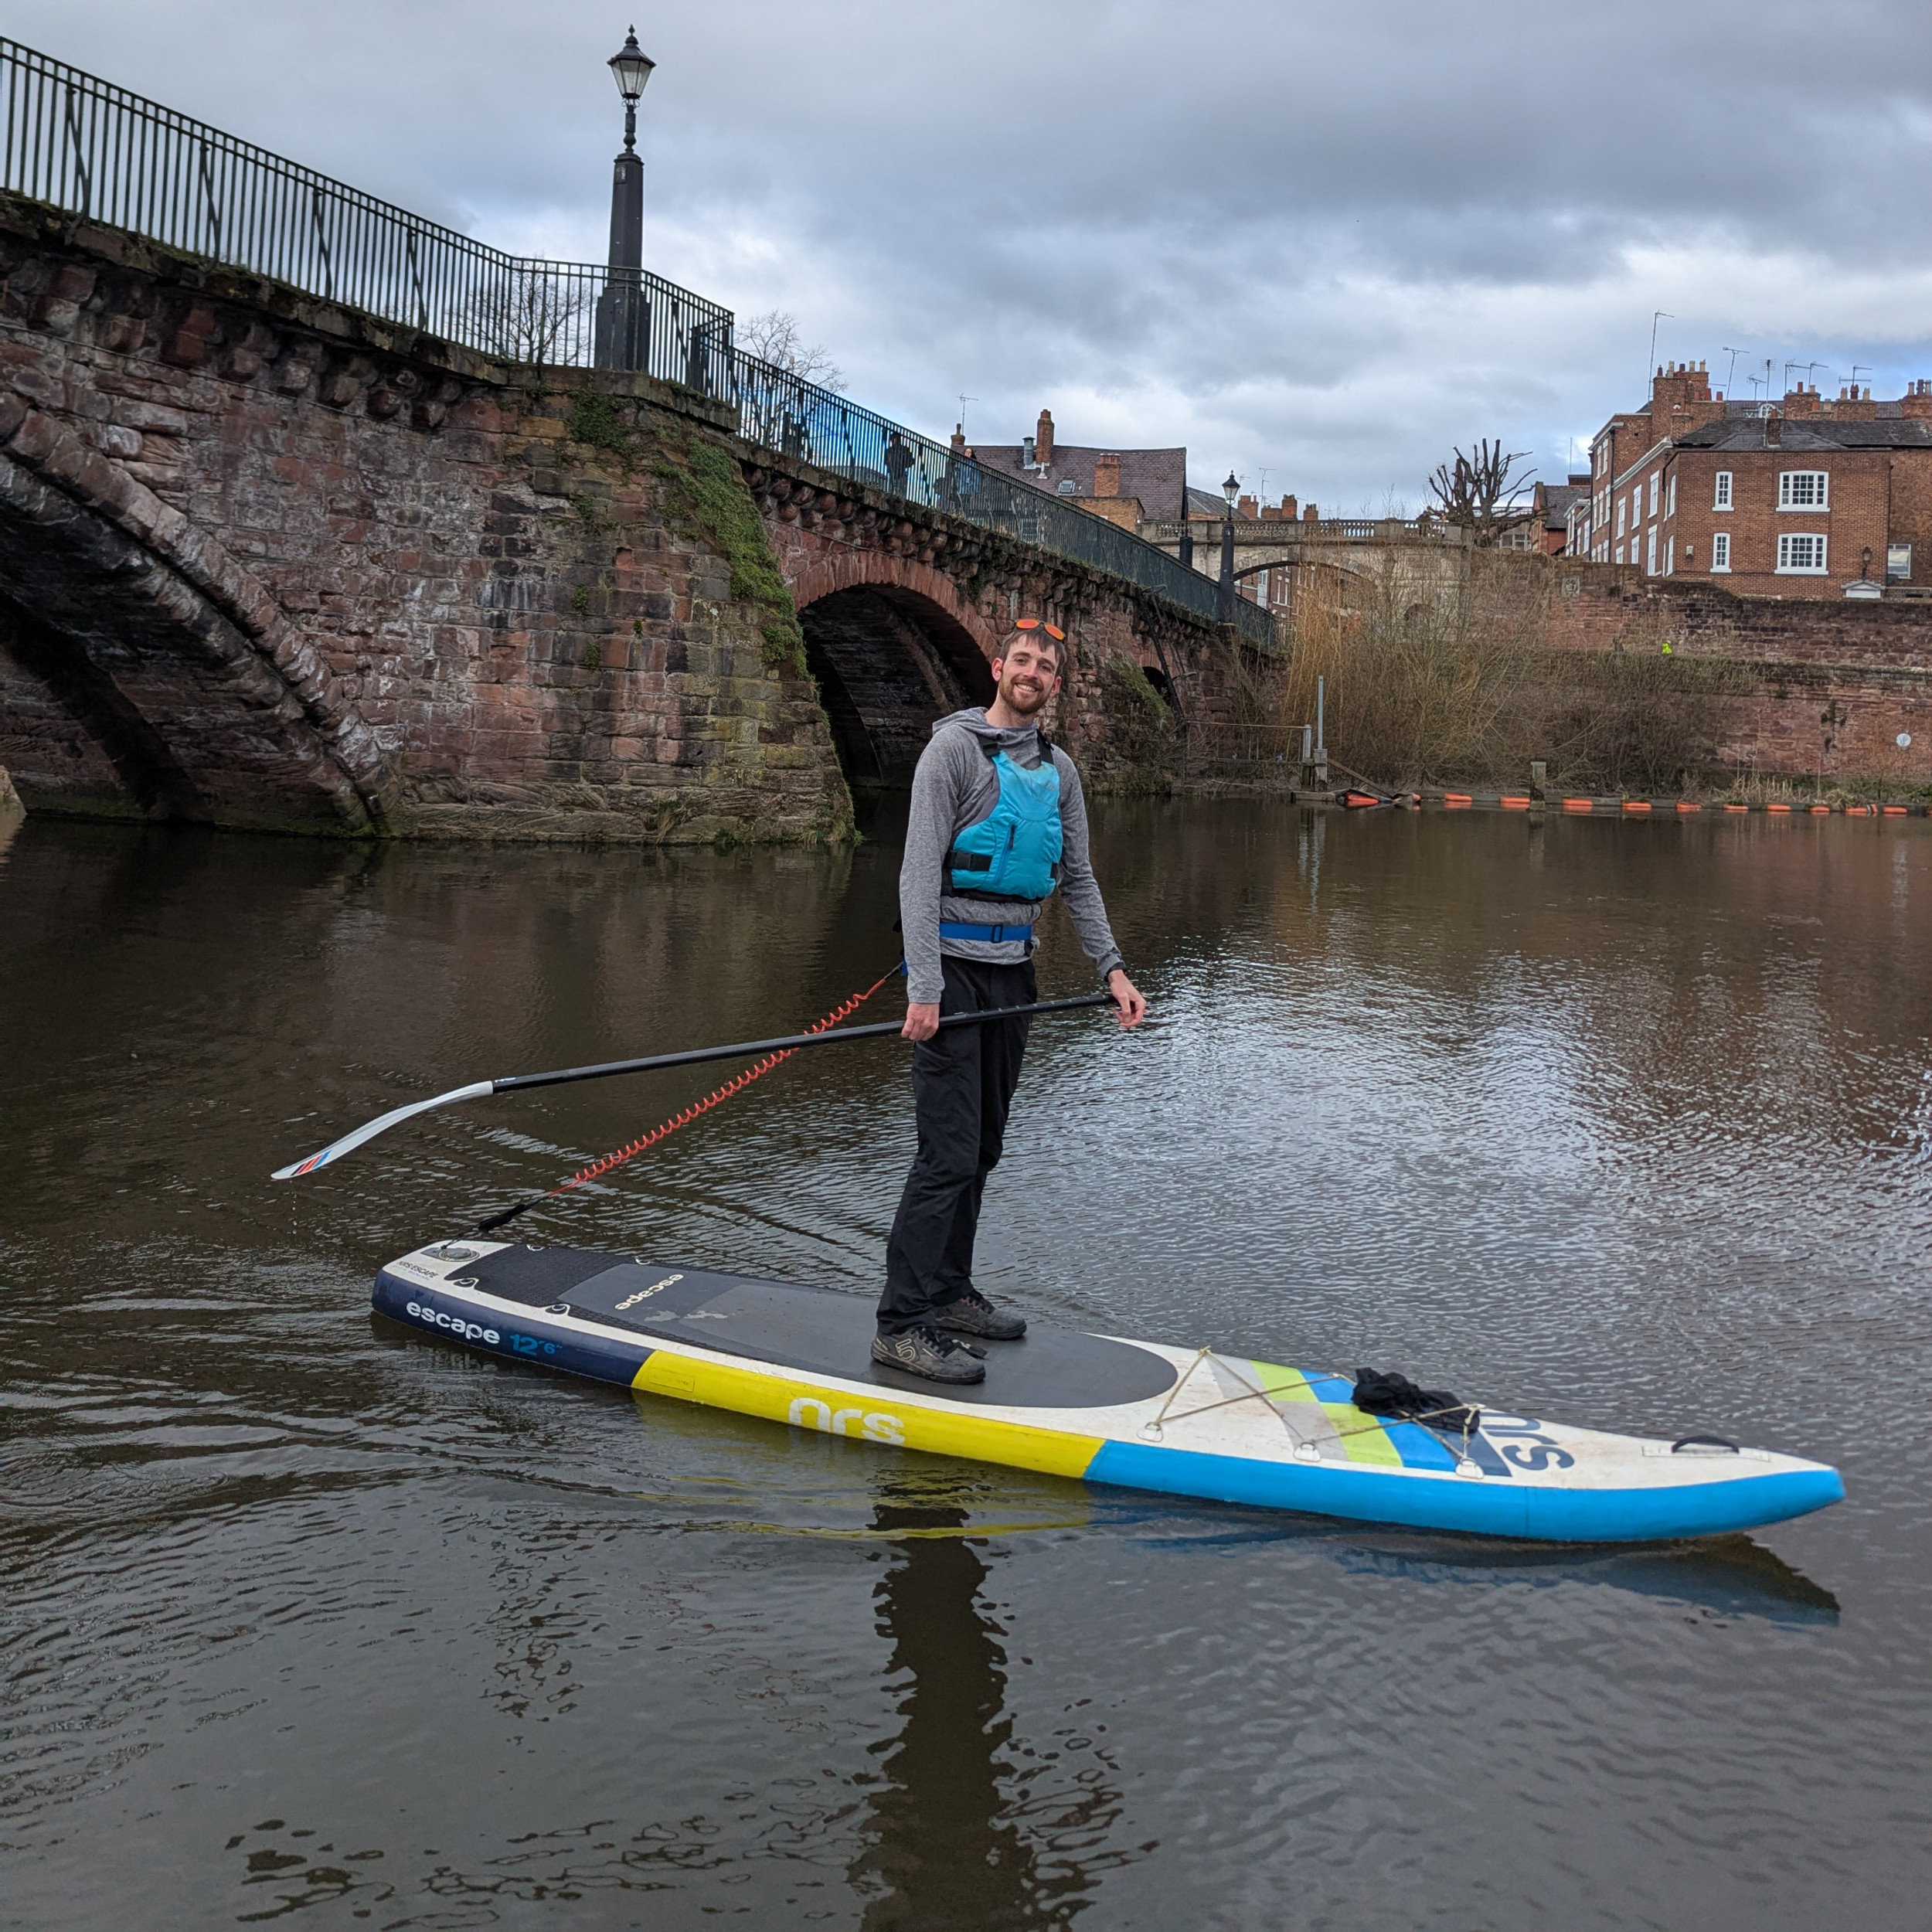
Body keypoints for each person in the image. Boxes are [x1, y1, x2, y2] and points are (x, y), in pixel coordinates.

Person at [873, 620, 1148, 1385]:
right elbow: (916, 873)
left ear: (1054, 686)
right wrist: (922, 988)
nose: (1030, 672)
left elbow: (1080, 880)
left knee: (982, 1150)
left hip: (1013, 978)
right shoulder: (951, 752)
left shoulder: (1059, 772)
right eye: (1020, 659)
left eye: (1045, 666)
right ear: (998, 668)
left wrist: (1113, 972)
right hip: (953, 978)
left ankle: (950, 1291)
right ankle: (901, 1322)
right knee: (946, 1154)